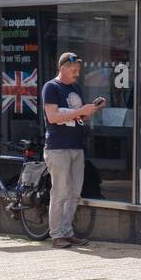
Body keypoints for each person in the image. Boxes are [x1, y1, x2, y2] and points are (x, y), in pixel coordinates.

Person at [41, 52, 101, 248]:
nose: (77, 74)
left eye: (78, 71)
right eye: (74, 70)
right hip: (58, 148)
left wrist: (90, 111)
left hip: (76, 146)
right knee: (60, 192)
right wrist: (81, 111)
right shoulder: (51, 87)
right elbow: (53, 117)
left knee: (74, 192)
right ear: (63, 68)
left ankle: (67, 232)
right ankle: (56, 234)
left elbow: (77, 118)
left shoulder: (75, 88)